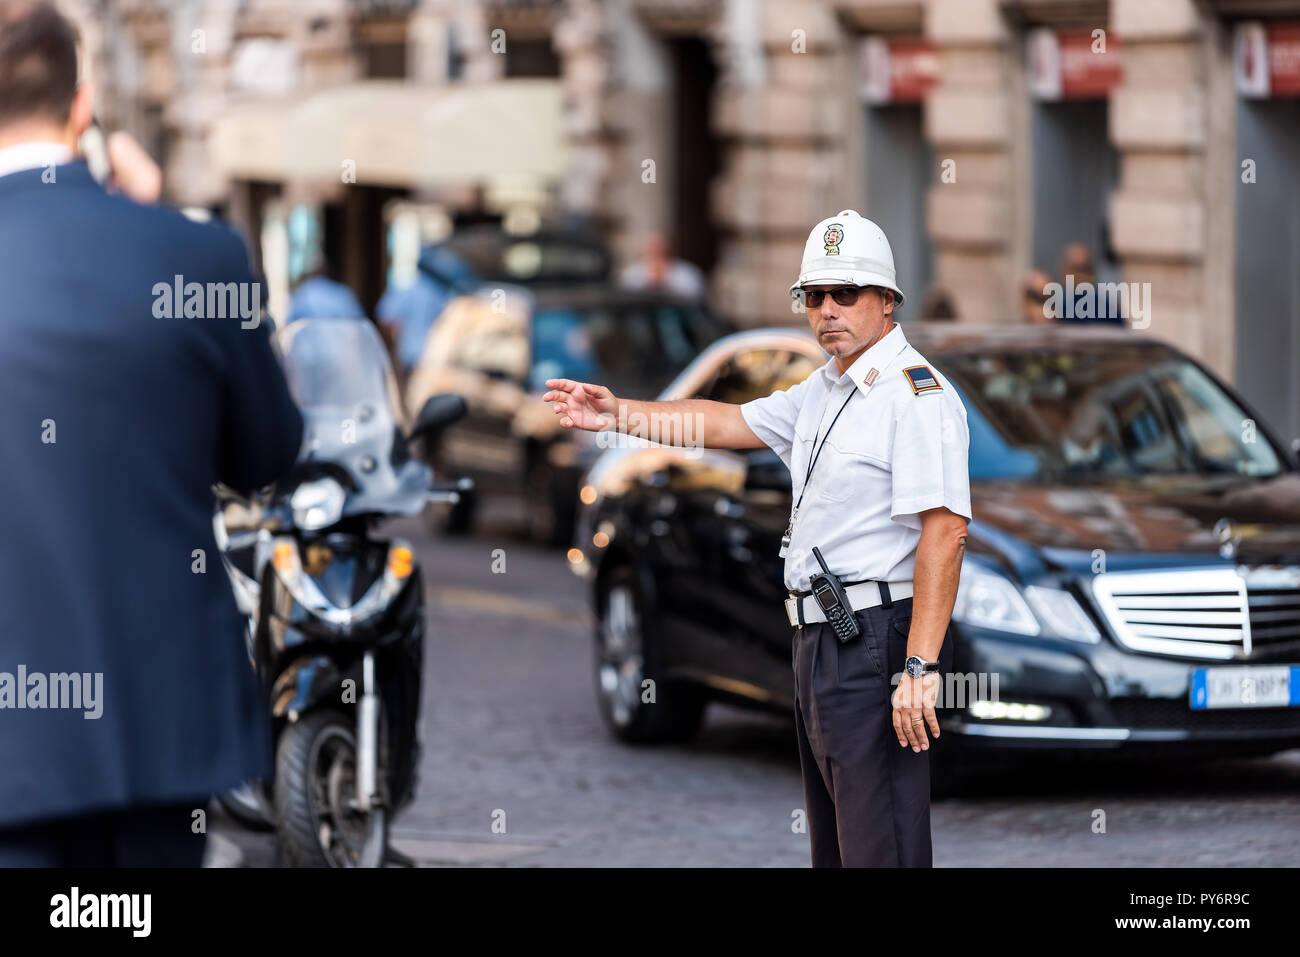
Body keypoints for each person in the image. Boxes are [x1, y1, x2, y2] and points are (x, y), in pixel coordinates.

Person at [543, 209, 971, 867]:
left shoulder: (915, 396)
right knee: (838, 849)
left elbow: (945, 533)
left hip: (875, 638)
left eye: (846, 293)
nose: (827, 309)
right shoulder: (825, 388)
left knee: (880, 844)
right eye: (814, 295)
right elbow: (723, 422)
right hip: (817, 639)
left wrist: (919, 666)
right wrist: (619, 413)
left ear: (887, 301)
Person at [0, 0, 303, 866]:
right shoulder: (196, 255)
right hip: (158, 734)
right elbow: (267, 455)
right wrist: (150, 217)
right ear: (83, 106)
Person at [618, 231, 706, 301]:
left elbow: (694, 294)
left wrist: (665, 285)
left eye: (658, 246)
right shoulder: (632, 273)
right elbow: (627, 294)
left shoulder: (686, 271)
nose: (655, 250)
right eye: (651, 246)